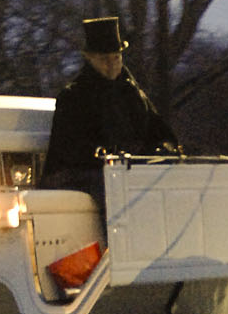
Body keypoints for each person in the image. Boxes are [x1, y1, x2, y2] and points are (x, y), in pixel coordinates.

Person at [41, 16, 182, 192]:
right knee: (117, 185)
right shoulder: (74, 97)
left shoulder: (132, 94)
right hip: (77, 174)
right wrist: (105, 156)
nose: (112, 65)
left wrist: (165, 148)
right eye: (104, 59)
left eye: (116, 58)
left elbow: (158, 130)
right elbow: (70, 149)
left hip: (124, 170)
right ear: (90, 58)